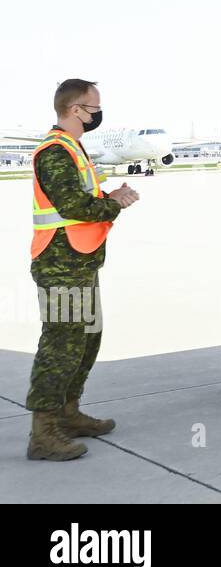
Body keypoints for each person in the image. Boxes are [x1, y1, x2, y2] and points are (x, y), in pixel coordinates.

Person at [26, 79, 139, 461]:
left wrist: (108, 198)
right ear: (75, 110)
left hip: (80, 260)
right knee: (60, 346)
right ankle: (43, 433)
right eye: (93, 108)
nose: (97, 114)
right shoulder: (55, 151)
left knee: (87, 339)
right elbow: (73, 205)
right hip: (60, 265)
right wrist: (116, 204)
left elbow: (81, 200)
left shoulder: (74, 148)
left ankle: (68, 414)